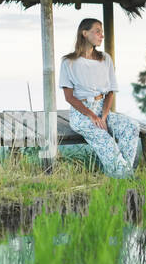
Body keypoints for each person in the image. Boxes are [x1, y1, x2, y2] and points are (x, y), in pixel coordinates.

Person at [58, 18, 140, 178]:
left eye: (102, 32)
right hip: (81, 114)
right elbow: (69, 97)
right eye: (97, 31)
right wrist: (92, 116)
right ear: (85, 33)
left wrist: (103, 115)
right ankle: (126, 178)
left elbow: (110, 92)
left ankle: (120, 175)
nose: (101, 35)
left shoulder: (105, 59)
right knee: (105, 139)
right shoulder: (68, 62)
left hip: (103, 110)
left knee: (131, 126)